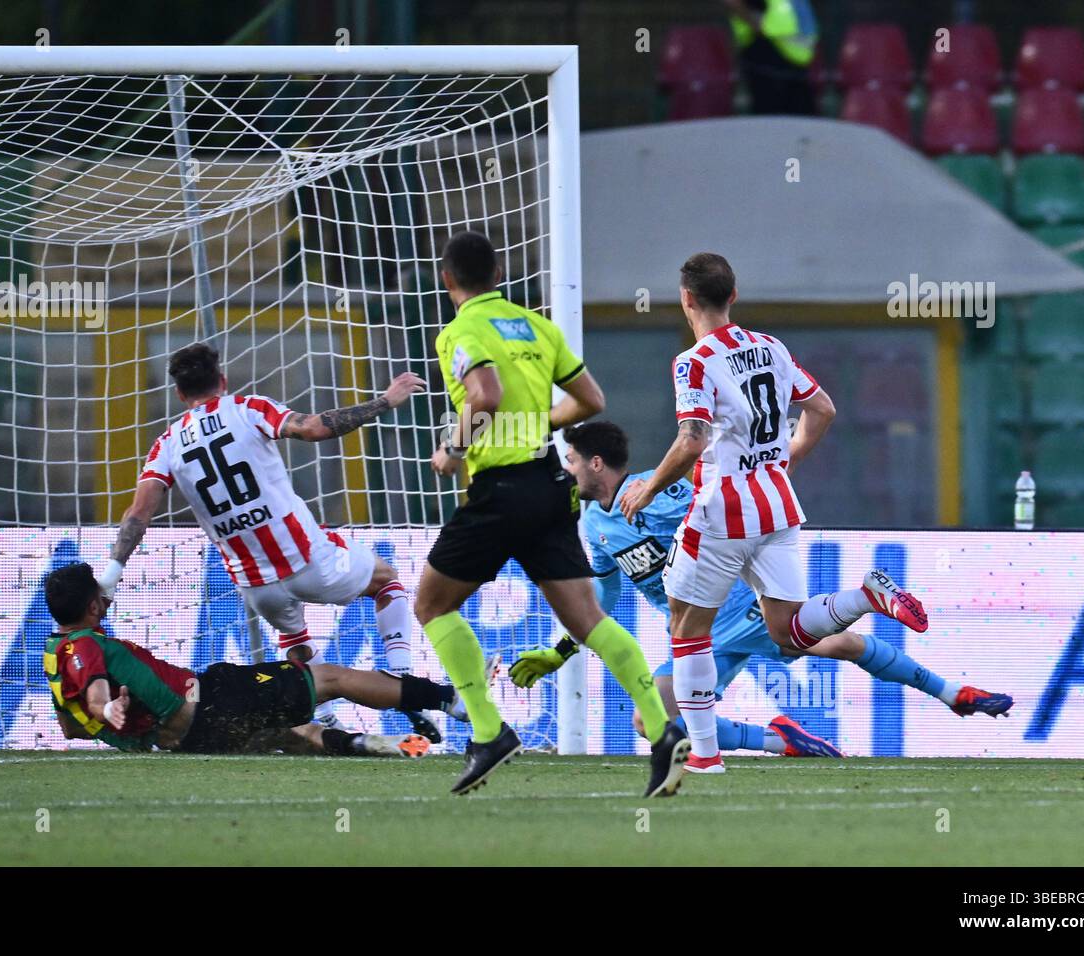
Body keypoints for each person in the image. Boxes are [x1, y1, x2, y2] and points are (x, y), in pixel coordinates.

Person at [617, 253, 995, 774]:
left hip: (723, 510)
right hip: (777, 503)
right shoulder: (771, 347)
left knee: (687, 628)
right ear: (733, 296)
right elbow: (822, 409)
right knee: (789, 631)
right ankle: (863, 596)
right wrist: (783, 459)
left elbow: (692, 438)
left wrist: (649, 487)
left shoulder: (695, 361)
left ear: (686, 299)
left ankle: (706, 755)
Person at [523, 420, 1012, 760]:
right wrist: (562, 651)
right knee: (663, 716)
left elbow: (715, 503)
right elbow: (602, 603)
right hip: (698, 632)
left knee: (663, 716)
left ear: (595, 463)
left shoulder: (660, 488)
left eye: (570, 459)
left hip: (732, 610)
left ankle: (901, 644)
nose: (564, 469)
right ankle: (792, 735)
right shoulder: (596, 527)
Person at [416, 229, 689, 798]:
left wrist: (453, 449)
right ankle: (663, 734)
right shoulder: (538, 328)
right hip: (551, 485)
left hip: (501, 489)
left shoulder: (461, 330)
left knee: (431, 605)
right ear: (498, 276)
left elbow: (485, 395)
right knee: (588, 620)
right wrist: (539, 421)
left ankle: (488, 733)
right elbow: (591, 400)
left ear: (449, 281)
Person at [95, 342, 451, 743]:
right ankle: (401, 682)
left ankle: (329, 722)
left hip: (256, 584)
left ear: (179, 394)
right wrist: (385, 400)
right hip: (306, 560)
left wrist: (110, 575)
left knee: (296, 642)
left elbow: (138, 514)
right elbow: (314, 427)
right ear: (223, 381)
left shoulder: (166, 444)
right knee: (385, 580)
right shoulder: (248, 408)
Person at [43, 562, 467, 756]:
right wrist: (109, 706)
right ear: (94, 608)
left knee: (290, 734)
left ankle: (363, 745)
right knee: (330, 679)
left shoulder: (56, 655)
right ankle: (447, 697)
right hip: (212, 699)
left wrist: (115, 718)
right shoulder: (87, 646)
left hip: (190, 742)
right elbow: (98, 694)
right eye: (100, 594)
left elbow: (70, 727)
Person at [723, 0, 819, 115]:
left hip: (794, 60)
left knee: (802, 118)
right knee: (771, 120)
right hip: (767, 55)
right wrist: (758, 25)